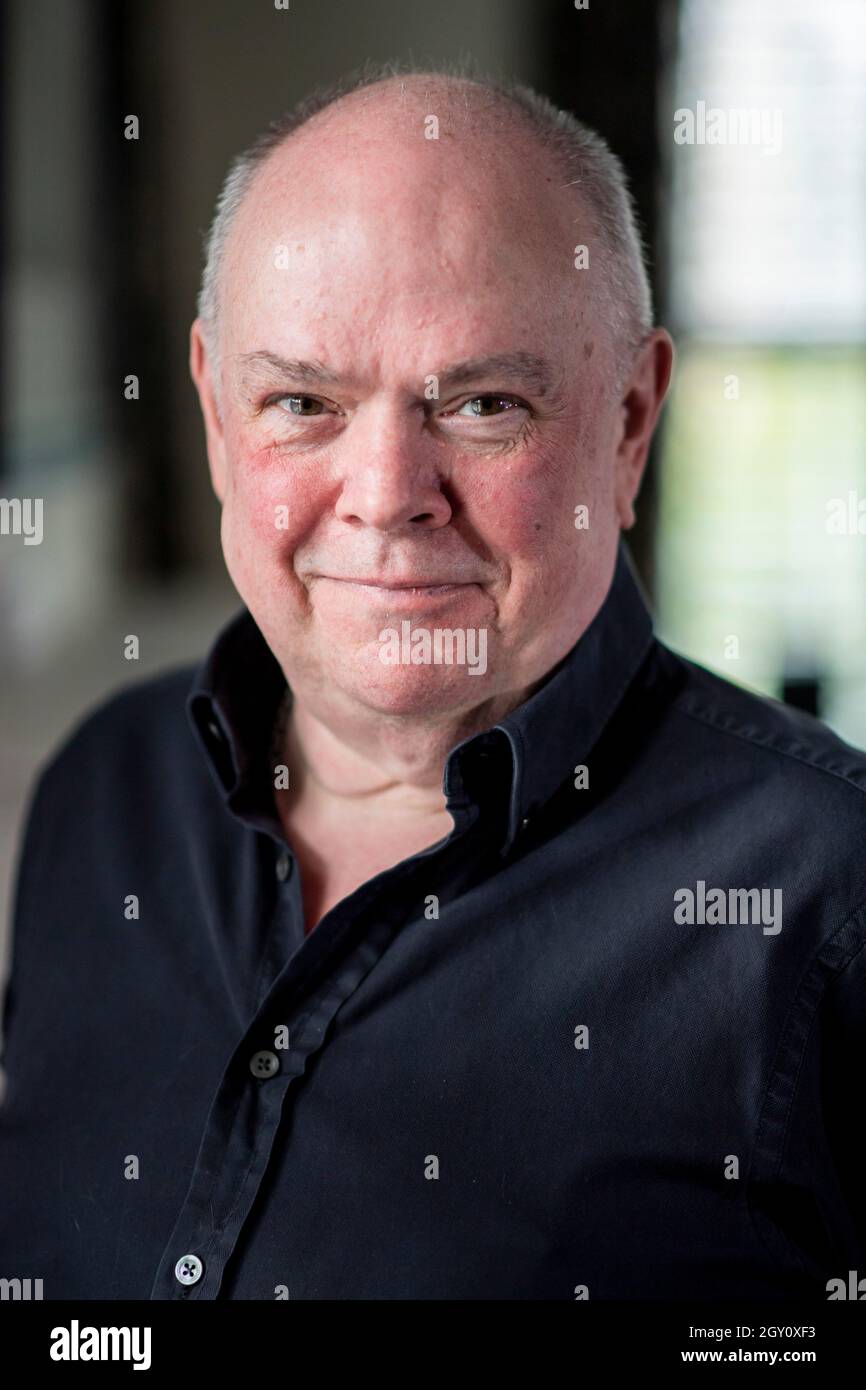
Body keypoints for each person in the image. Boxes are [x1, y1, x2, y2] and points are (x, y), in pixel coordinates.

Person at [1, 66, 864, 1302]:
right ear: (209, 412)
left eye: (483, 404)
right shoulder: (104, 790)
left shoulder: (829, 901)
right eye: (300, 401)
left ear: (627, 424)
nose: (387, 492)